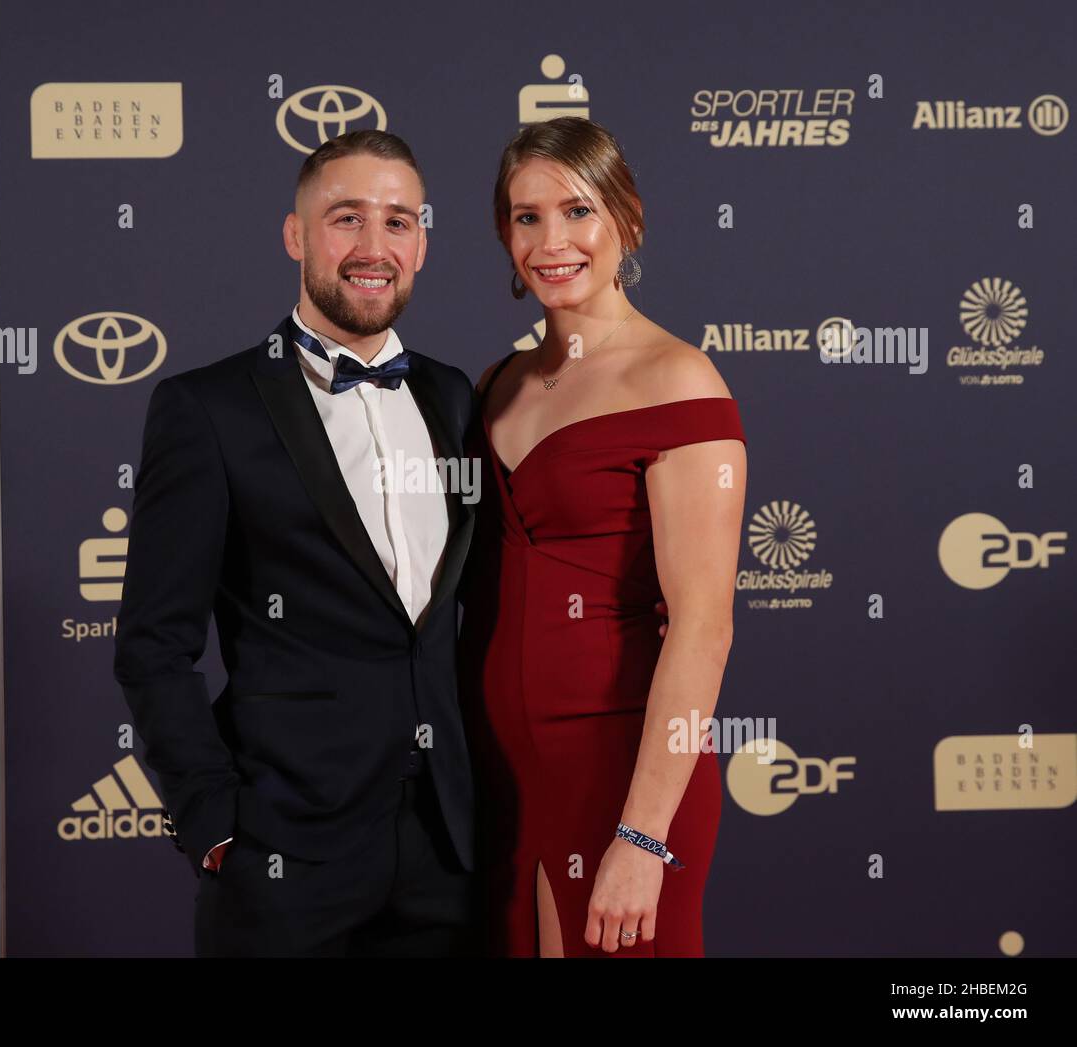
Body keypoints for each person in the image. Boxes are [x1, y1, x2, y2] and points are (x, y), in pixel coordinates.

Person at [114, 130, 480, 957]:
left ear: (422, 240)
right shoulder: (209, 408)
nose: (373, 247)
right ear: (295, 235)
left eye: (398, 221)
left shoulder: (455, 398)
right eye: (346, 218)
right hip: (283, 853)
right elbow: (153, 645)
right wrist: (211, 820)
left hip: (446, 852)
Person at [458, 116, 748, 957]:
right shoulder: (496, 383)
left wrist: (644, 836)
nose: (552, 241)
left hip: (623, 773)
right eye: (526, 216)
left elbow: (704, 624)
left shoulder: (678, 379)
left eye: (577, 210)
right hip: (504, 779)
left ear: (627, 217)